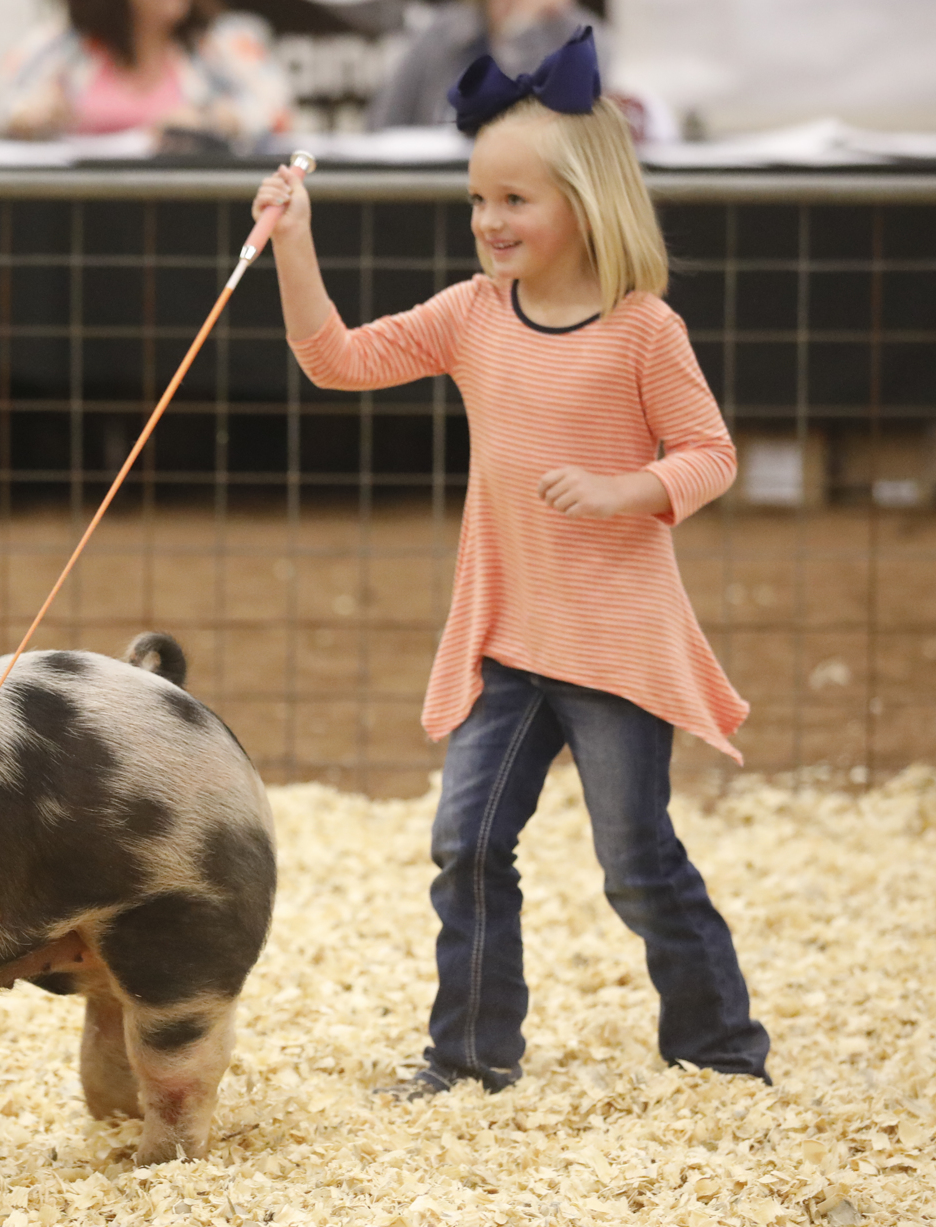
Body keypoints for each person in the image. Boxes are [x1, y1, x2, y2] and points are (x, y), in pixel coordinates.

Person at [254, 28, 769, 1096]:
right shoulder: (470, 315)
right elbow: (336, 360)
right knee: (467, 846)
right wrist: (292, 242)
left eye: (513, 202)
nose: (488, 223)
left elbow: (709, 454)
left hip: (612, 645)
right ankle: (468, 1058)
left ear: (583, 201)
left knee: (635, 864)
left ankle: (718, 1053)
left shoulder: (642, 330)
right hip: (506, 640)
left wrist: (629, 491)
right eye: (477, 202)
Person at [0, 0, 293, 146]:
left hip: (189, 216)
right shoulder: (61, 45)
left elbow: (276, 111)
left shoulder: (219, 42)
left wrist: (213, 120)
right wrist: (31, 116)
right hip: (81, 220)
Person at [369, 0, 599, 131]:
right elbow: (380, 125)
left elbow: (523, 127)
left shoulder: (578, 37)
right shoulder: (444, 34)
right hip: (432, 197)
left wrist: (520, 34)